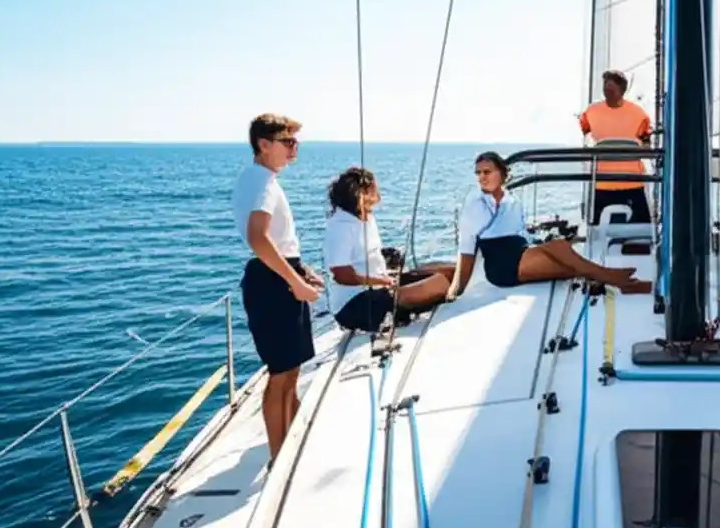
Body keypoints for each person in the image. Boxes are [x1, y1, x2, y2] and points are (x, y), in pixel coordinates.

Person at [232, 112, 323, 463]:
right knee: (280, 374)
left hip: (275, 276)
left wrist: (302, 269)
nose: (294, 148)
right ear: (263, 144)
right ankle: (278, 458)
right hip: (273, 284)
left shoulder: (257, 178)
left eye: (295, 141)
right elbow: (258, 238)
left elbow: (276, 242)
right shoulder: (263, 184)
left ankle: (292, 446)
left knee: (291, 370)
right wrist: (295, 282)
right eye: (287, 142)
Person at [448, 151, 652, 297]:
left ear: (502, 174)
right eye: (479, 173)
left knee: (571, 265)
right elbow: (467, 247)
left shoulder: (512, 200)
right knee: (561, 249)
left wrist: (537, 244)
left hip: (522, 252)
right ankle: (616, 279)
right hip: (503, 266)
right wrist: (457, 289)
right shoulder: (475, 204)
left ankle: (621, 282)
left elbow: (520, 233)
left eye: (487, 171)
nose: (482, 177)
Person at [323, 167, 452, 332]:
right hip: (354, 304)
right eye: (374, 190)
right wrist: (381, 281)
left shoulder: (366, 217)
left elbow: (363, 254)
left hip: (380, 287)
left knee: (449, 272)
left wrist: (385, 266)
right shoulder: (341, 226)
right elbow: (342, 275)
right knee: (439, 284)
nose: (379, 196)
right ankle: (403, 309)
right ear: (362, 193)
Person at [578, 69, 652, 224]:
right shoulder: (639, 114)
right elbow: (646, 146)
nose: (606, 91)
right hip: (621, 183)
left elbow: (585, 135)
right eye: (605, 87)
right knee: (641, 230)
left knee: (601, 230)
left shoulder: (591, 111)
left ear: (622, 90)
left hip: (614, 183)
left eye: (609, 88)